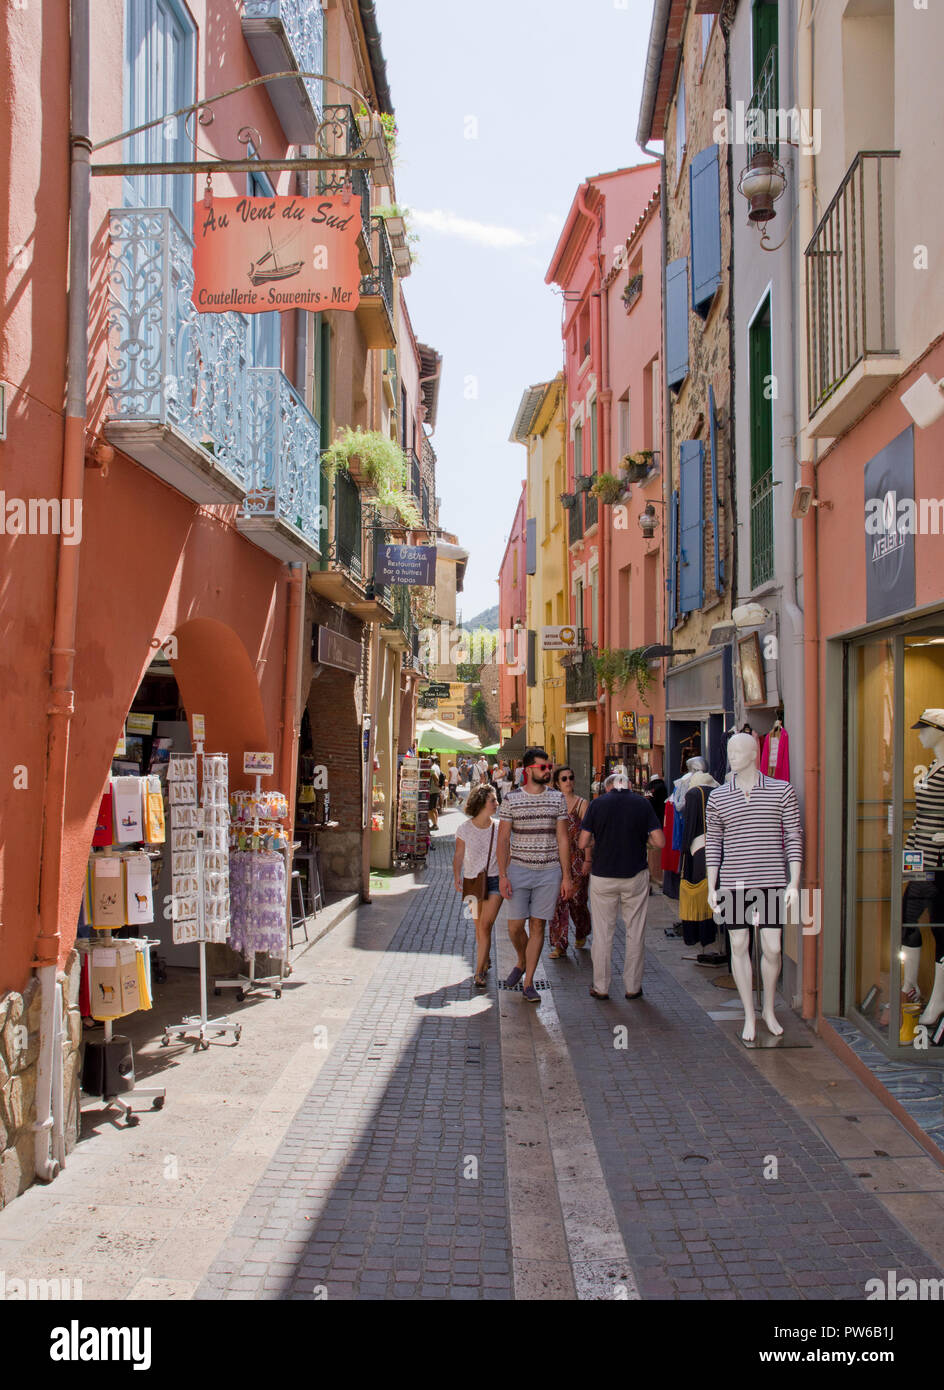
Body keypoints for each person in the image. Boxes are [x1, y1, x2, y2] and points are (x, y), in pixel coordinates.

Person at [578, 770, 665, 1000]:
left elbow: (582, 842)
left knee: (602, 933)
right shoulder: (642, 804)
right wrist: (643, 840)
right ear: (628, 785)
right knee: (635, 932)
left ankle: (601, 987)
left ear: (608, 787)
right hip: (635, 875)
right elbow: (660, 841)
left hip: (603, 876)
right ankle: (633, 987)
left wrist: (598, 838)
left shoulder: (597, 805)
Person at [497, 747, 573, 1004]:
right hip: (519, 870)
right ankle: (521, 960)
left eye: (549, 767)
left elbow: (563, 839)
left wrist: (566, 876)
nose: (548, 770)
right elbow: (503, 839)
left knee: (538, 925)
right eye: (543, 767)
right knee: (515, 926)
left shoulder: (557, 798)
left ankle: (528, 982)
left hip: (549, 872)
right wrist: (503, 875)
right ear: (529, 770)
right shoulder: (511, 799)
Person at [454, 784, 502, 988]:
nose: (497, 803)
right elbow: (458, 855)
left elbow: (506, 853)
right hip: (472, 882)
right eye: (493, 800)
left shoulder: (499, 827)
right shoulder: (464, 828)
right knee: (478, 927)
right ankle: (485, 956)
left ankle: (479, 971)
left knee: (485, 925)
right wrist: (457, 876)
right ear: (482, 803)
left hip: (495, 880)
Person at [548, 767, 592, 957]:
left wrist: (588, 859)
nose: (568, 781)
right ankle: (559, 944)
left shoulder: (582, 804)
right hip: (556, 859)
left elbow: (588, 833)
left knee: (577, 901)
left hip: (577, 858)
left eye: (571, 778)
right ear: (557, 783)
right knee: (557, 902)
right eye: (564, 778)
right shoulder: (552, 804)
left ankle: (582, 931)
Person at [428, 758, 444, 829]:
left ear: (431, 761)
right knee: (434, 808)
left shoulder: (431, 768)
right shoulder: (437, 766)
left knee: (430, 809)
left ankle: (434, 824)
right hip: (436, 790)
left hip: (431, 791)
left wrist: (435, 782)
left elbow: (436, 777)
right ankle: (435, 824)